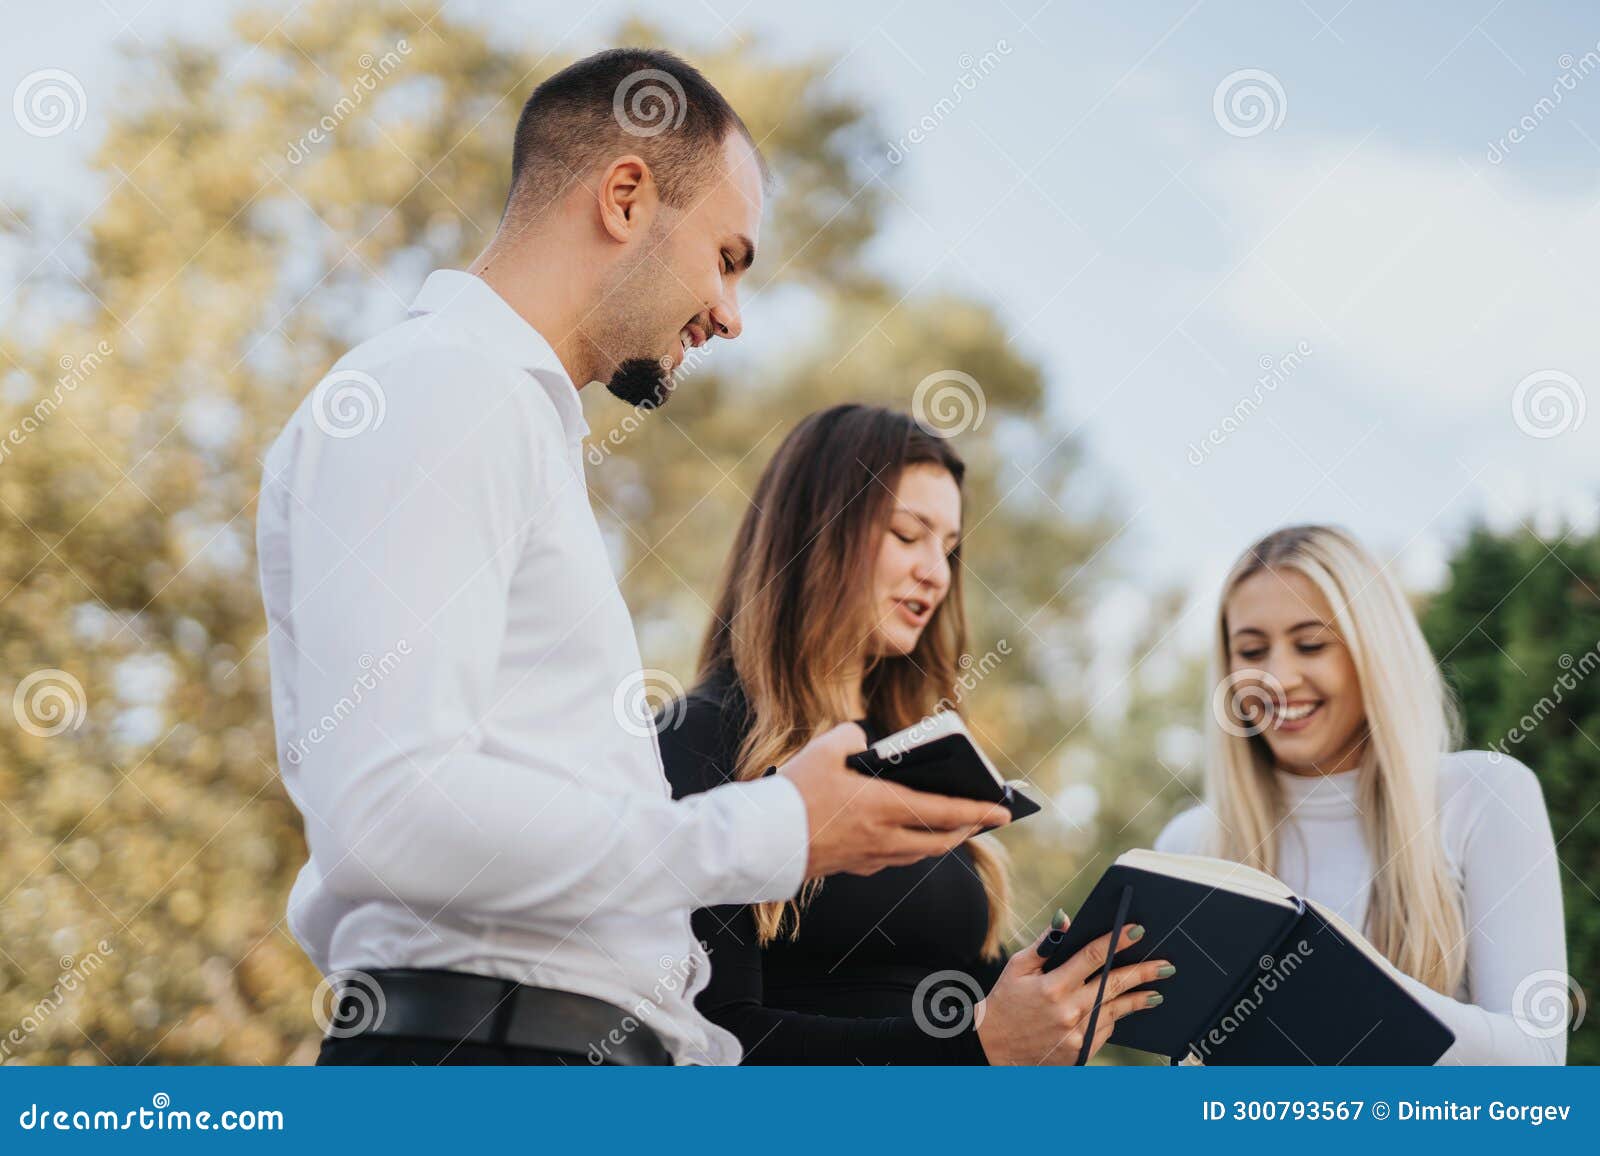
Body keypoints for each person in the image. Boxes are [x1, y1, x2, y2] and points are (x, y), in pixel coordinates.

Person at [257, 49, 1011, 1067]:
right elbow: (392, 816)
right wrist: (777, 828)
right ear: (624, 197)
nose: (732, 314)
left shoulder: (512, 424)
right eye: (728, 258)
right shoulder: (441, 387)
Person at [659, 405, 1173, 1063]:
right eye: (909, 534)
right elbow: (715, 1038)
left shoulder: (917, 755)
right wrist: (977, 1048)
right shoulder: (697, 740)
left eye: (951, 549)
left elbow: (952, 1004)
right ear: (817, 534)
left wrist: (1048, 997)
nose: (937, 572)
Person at [1157, 524, 1568, 1064]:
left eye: (1311, 644)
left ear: (1373, 651)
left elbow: (1535, 1063)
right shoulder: (1189, 846)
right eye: (1252, 650)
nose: (1276, 678)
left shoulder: (1486, 795)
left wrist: (1333, 973)